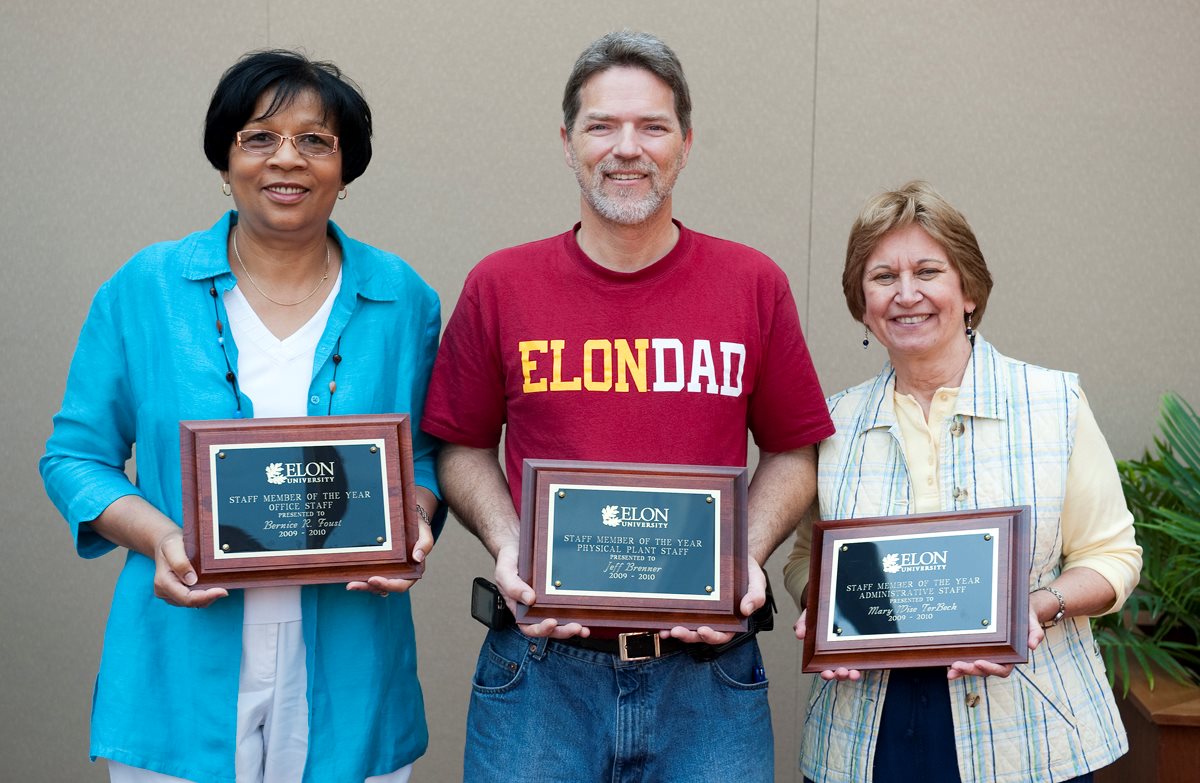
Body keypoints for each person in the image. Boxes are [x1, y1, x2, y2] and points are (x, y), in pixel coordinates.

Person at [421, 30, 834, 783]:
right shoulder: (501, 284)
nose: (627, 148)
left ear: (686, 143)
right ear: (567, 141)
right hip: (539, 674)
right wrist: (511, 546)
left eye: (652, 126)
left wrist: (743, 555)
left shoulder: (753, 283)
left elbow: (792, 450)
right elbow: (461, 445)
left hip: (708, 679)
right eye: (602, 125)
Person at [40, 50, 444, 783]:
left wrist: (413, 517)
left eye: (315, 140)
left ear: (346, 168)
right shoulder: (146, 288)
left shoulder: (402, 296)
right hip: (179, 657)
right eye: (259, 137)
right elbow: (75, 458)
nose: (286, 159)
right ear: (225, 160)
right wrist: (162, 537)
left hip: (354, 658)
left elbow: (419, 457)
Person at [784, 181, 1142, 783]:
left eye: (928, 271)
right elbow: (803, 560)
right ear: (862, 303)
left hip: (1029, 727)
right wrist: (823, 608)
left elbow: (1113, 556)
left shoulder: (1053, 403)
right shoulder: (832, 424)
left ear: (969, 290)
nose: (907, 294)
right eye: (883, 277)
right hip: (866, 732)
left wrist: (1036, 608)